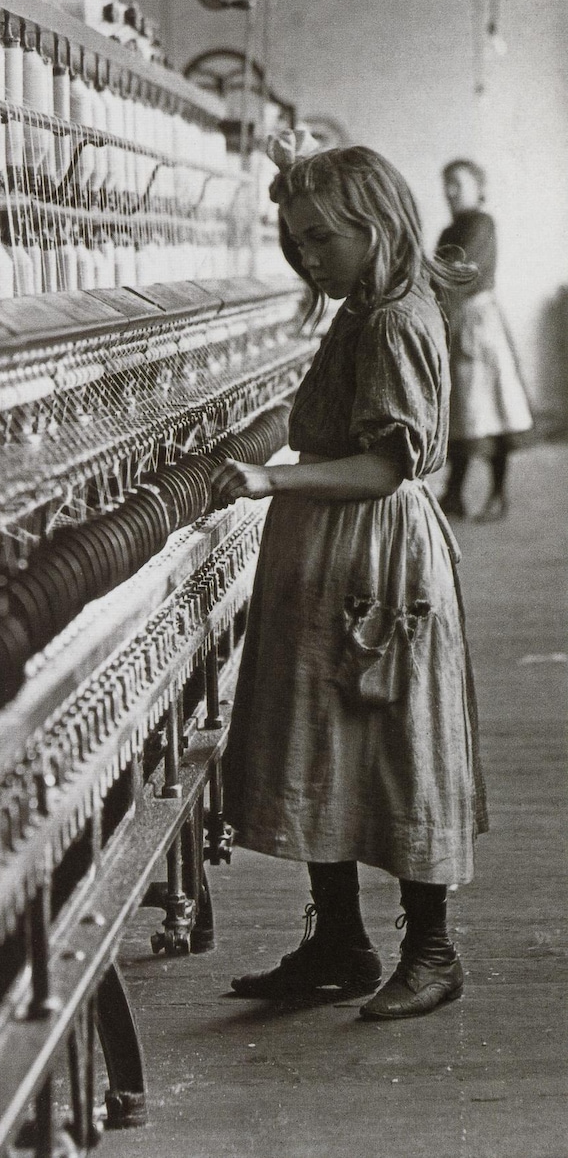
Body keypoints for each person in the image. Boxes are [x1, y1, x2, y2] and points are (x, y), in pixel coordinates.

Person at [213, 136, 487, 1020]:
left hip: (374, 552)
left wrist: (268, 478)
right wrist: (296, 165)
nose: (307, 257)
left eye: (323, 238)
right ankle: (338, 941)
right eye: (296, 241)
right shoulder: (365, 300)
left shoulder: (395, 318)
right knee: (320, 734)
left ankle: (433, 951)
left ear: (377, 225)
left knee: (399, 742)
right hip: (333, 552)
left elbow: (386, 468)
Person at [436, 159, 533, 521]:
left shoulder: (481, 223)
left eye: (457, 183)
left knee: (493, 409)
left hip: (479, 325)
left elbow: (461, 272)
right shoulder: (450, 229)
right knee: (462, 410)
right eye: (446, 183)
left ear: (478, 188)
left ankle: (497, 494)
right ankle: (455, 493)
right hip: (459, 322)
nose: (450, 191)